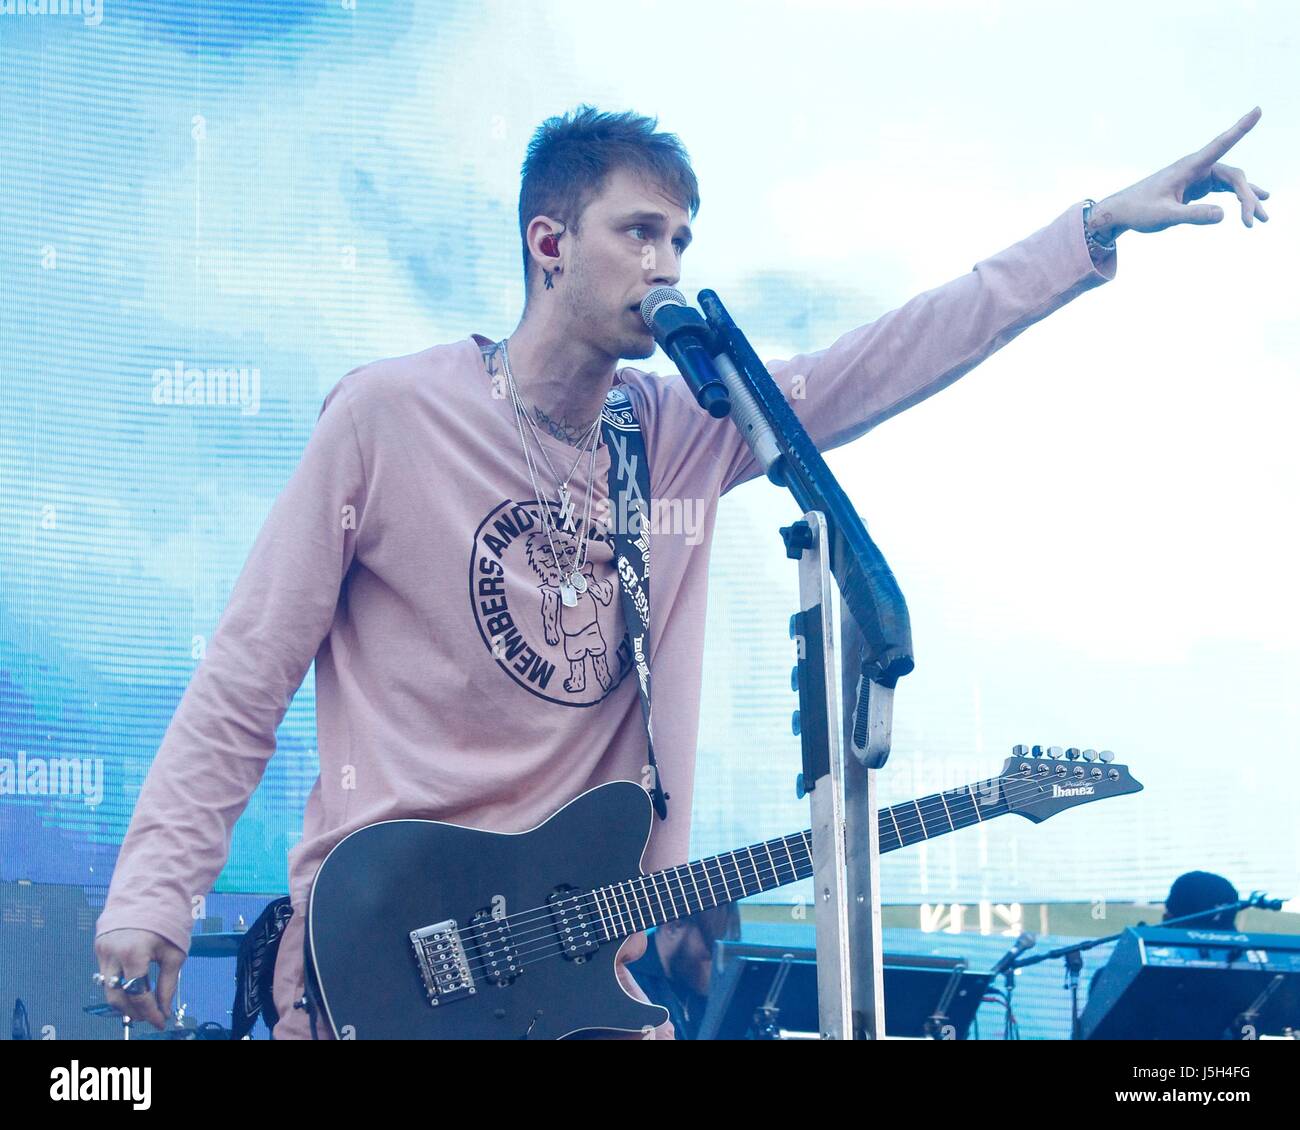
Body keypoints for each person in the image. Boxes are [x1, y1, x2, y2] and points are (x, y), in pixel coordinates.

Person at [92, 103, 1268, 1039]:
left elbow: (887, 354)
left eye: (682, 240)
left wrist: (1091, 230)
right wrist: (155, 891)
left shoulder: (676, 429)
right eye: (639, 231)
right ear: (549, 243)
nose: (666, 260)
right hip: (387, 946)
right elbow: (247, 671)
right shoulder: (389, 417)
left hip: (577, 961)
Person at [626, 904, 742, 1040]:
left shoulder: (687, 977)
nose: (713, 968)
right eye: (706, 957)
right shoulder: (629, 989)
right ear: (673, 928)